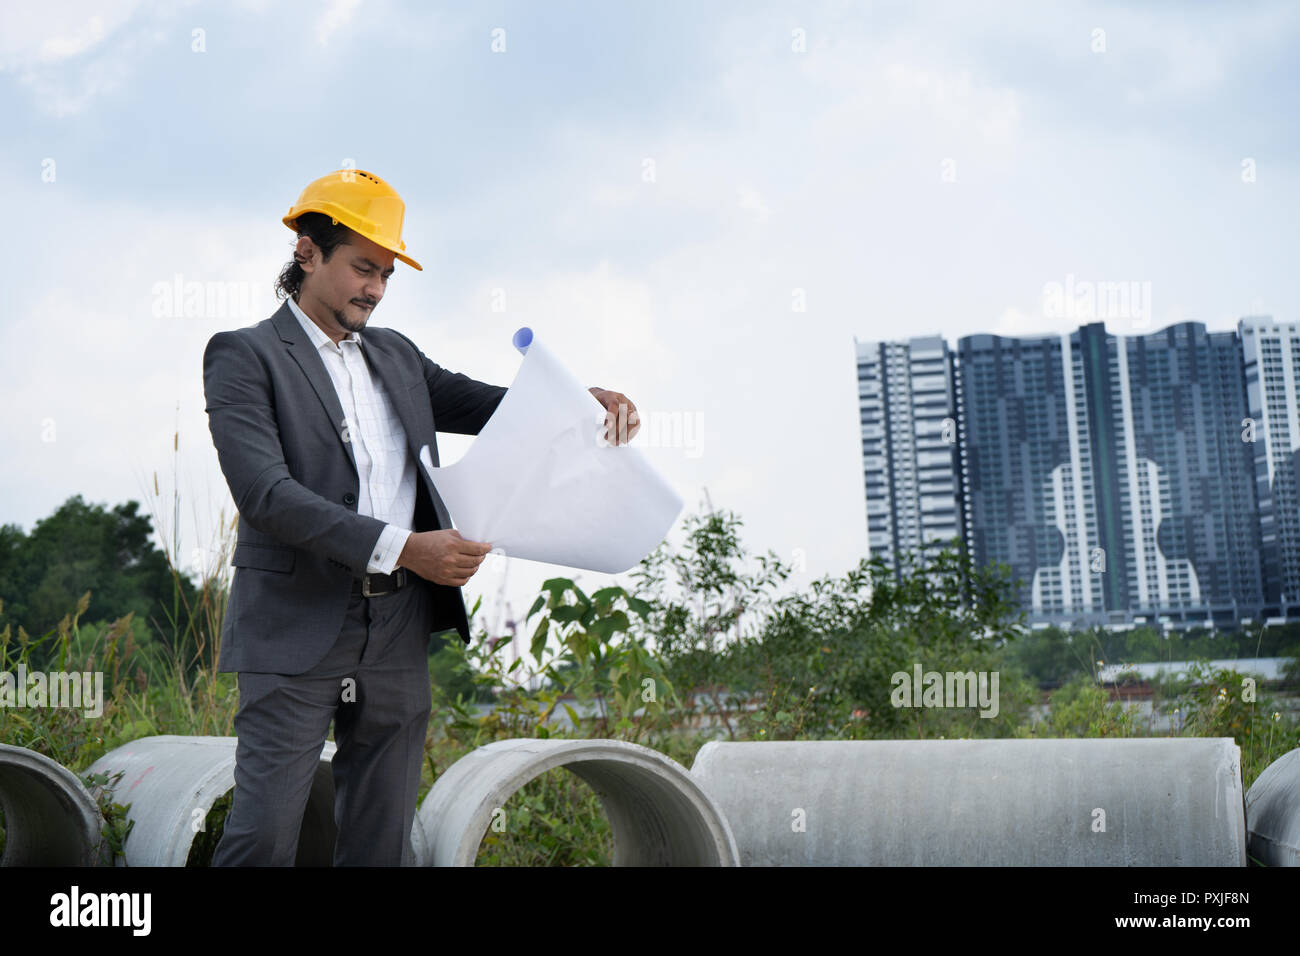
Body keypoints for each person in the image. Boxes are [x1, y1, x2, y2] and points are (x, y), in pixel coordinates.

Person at [203, 168, 639, 865]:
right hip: (294, 625)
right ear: (308, 252)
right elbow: (266, 494)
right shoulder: (245, 356)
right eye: (361, 268)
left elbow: (494, 408)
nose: (374, 287)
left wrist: (583, 405)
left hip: (399, 628)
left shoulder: (398, 357)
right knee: (262, 839)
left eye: (385, 274)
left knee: (382, 843)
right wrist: (406, 547)